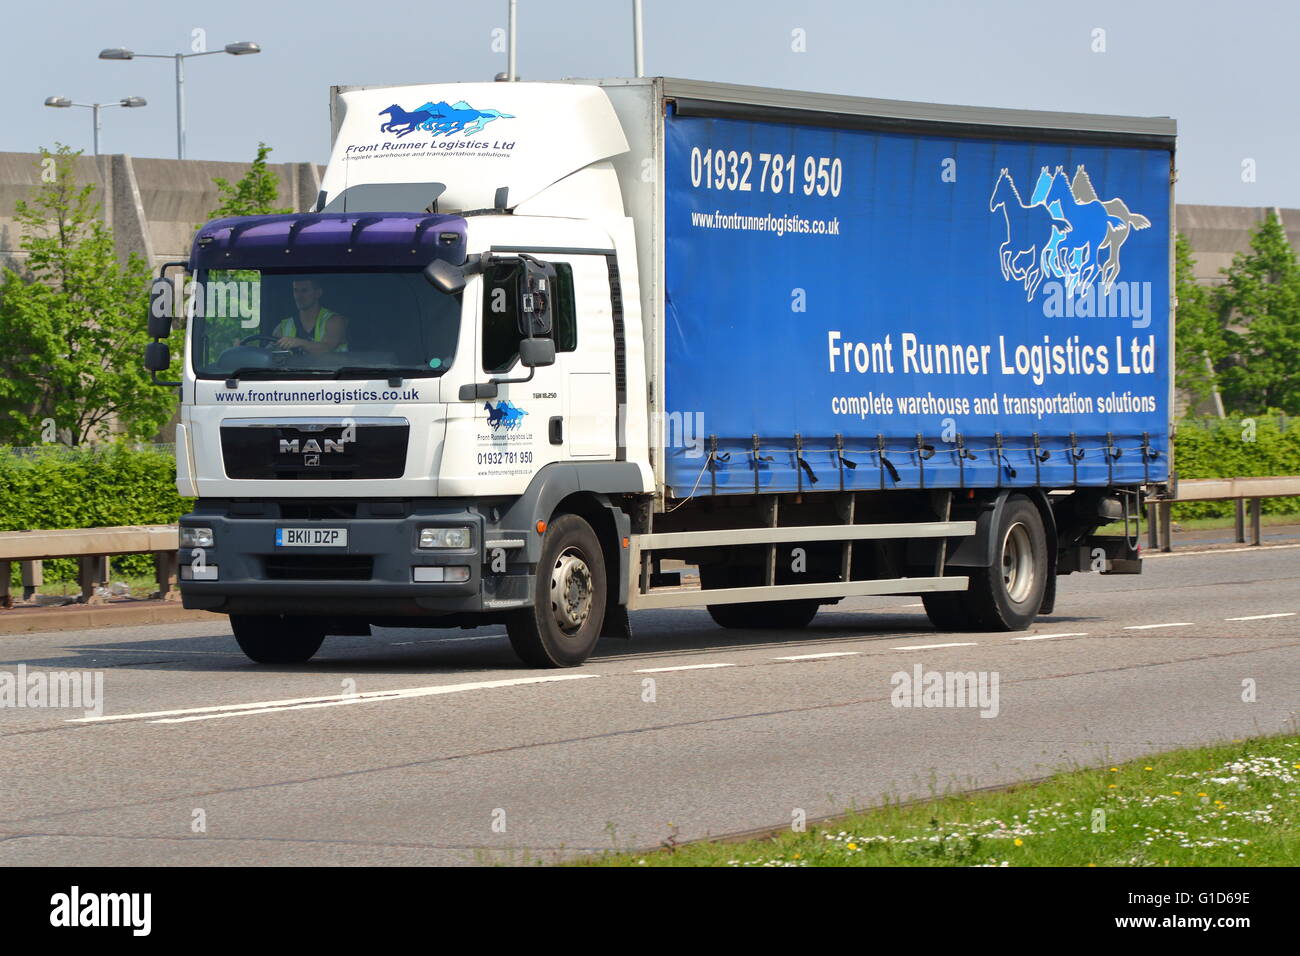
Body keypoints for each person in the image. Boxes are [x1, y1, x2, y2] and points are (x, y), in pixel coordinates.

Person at [274, 278, 348, 353]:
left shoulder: (335, 321)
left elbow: (327, 348)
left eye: (304, 290)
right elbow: (269, 354)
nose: (298, 296)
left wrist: (300, 343)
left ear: (318, 293)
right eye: (295, 290)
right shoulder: (282, 327)